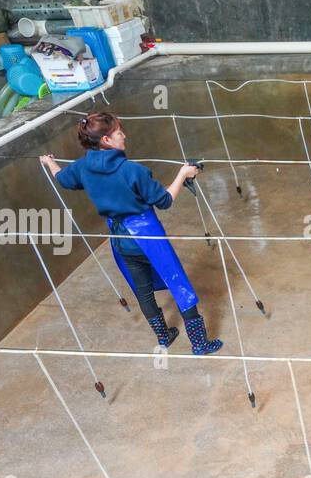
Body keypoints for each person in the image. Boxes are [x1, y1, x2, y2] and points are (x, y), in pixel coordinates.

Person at [40, 112, 223, 354]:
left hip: (119, 239)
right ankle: (199, 344)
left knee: (142, 288)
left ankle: (164, 336)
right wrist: (183, 174)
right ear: (106, 140)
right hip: (146, 234)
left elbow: (63, 179)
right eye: (118, 133)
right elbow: (165, 200)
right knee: (177, 280)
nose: (124, 135)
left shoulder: (83, 167)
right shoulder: (133, 171)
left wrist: (49, 162)